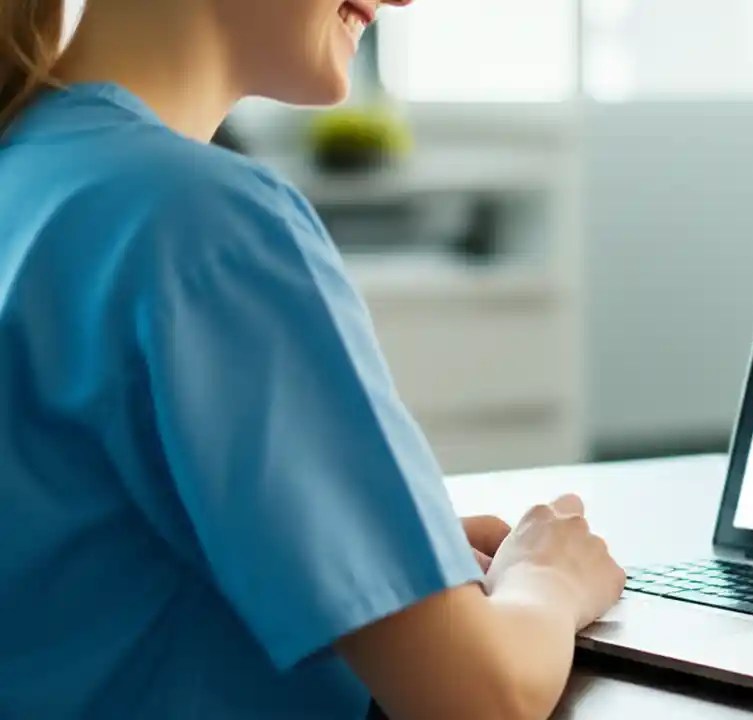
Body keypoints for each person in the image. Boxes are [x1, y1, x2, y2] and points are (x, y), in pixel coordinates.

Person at [0, 1, 625, 719]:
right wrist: (549, 577)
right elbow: (484, 696)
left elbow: (84, 564)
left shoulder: (30, 171)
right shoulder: (205, 223)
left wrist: (368, 554)